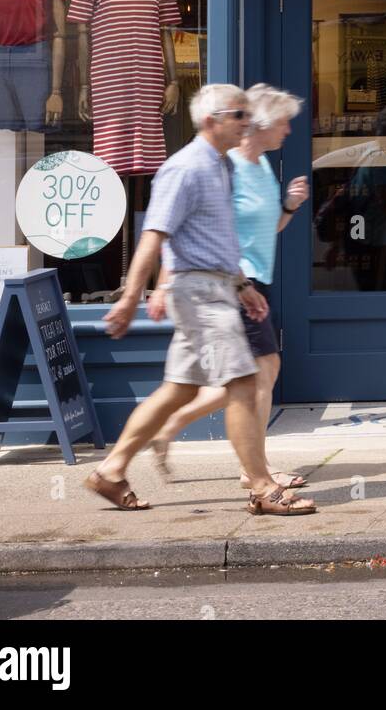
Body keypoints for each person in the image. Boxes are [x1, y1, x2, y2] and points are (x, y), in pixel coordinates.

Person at [83, 83, 315, 515]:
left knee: (178, 391)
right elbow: (155, 232)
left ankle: (111, 472)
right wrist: (134, 293)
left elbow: (220, 237)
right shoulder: (186, 167)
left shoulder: (223, 166)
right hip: (201, 292)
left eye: (248, 115)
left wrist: (243, 285)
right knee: (245, 382)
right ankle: (263, 487)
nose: (247, 123)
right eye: (239, 115)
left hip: (221, 285)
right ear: (213, 121)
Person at [147, 84, 310, 492]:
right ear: (263, 124)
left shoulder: (261, 167)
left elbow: (266, 229)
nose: (289, 131)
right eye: (285, 122)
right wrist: (163, 284)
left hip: (254, 281)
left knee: (252, 375)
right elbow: (180, 227)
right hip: (231, 282)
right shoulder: (229, 166)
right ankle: (254, 469)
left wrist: (289, 206)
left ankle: (177, 427)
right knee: (260, 372)